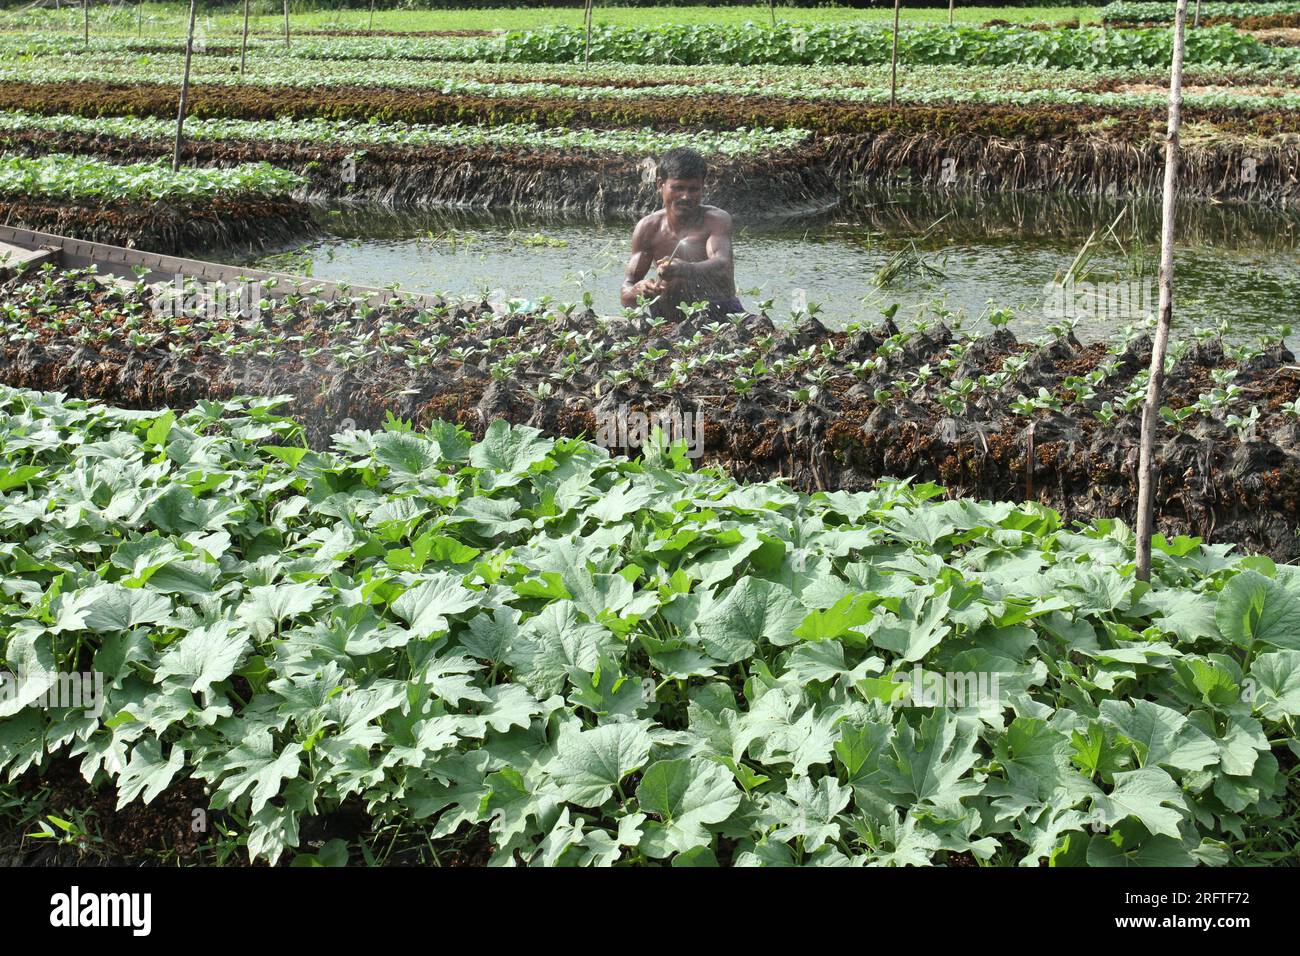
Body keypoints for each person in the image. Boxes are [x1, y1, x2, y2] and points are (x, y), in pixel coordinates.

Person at [620, 147, 744, 322]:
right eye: (678, 188)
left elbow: (721, 264)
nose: (685, 196)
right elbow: (626, 293)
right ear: (660, 184)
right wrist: (637, 290)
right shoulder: (648, 228)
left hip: (720, 315)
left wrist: (685, 268)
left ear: (702, 187)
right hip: (665, 320)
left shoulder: (716, 220)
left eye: (693, 189)